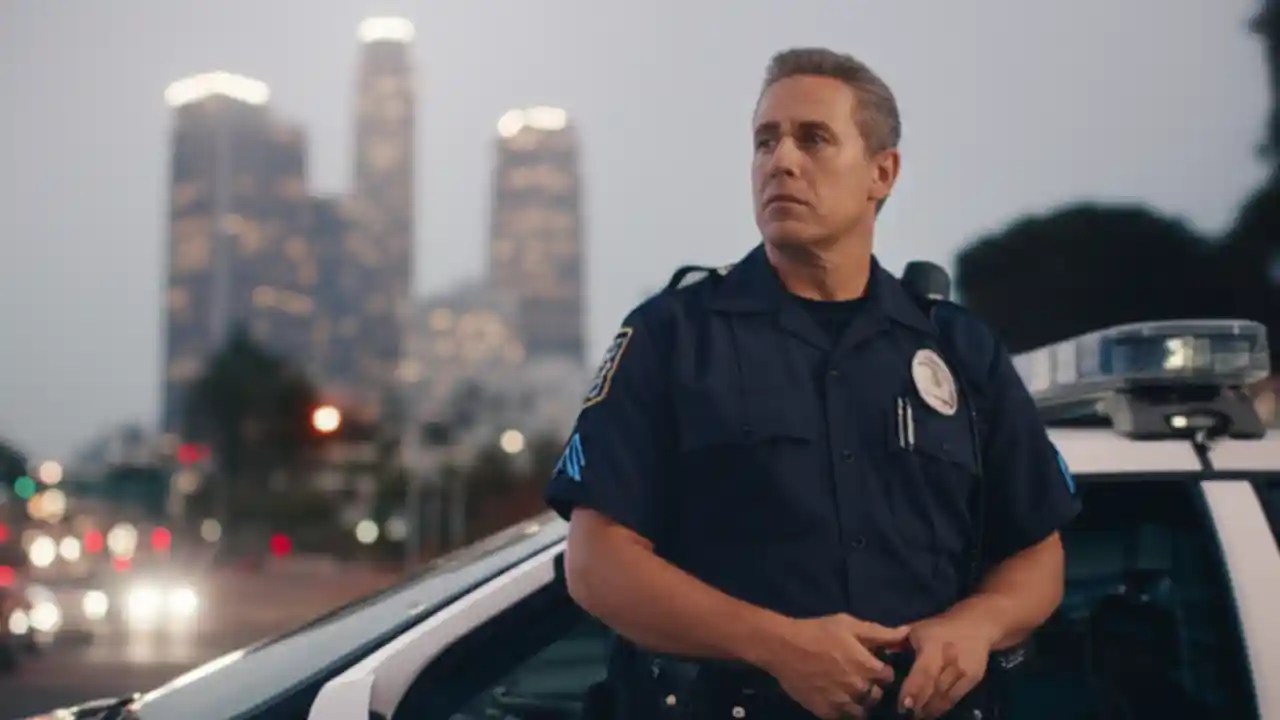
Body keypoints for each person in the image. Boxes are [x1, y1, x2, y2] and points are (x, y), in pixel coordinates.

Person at [546, 47, 1081, 720]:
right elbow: (597, 565)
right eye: (765, 142)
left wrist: (977, 625)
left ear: (881, 173)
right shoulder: (674, 337)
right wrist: (780, 647)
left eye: (814, 139)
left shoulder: (960, 349)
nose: (781, 161)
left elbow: (1037, 556)